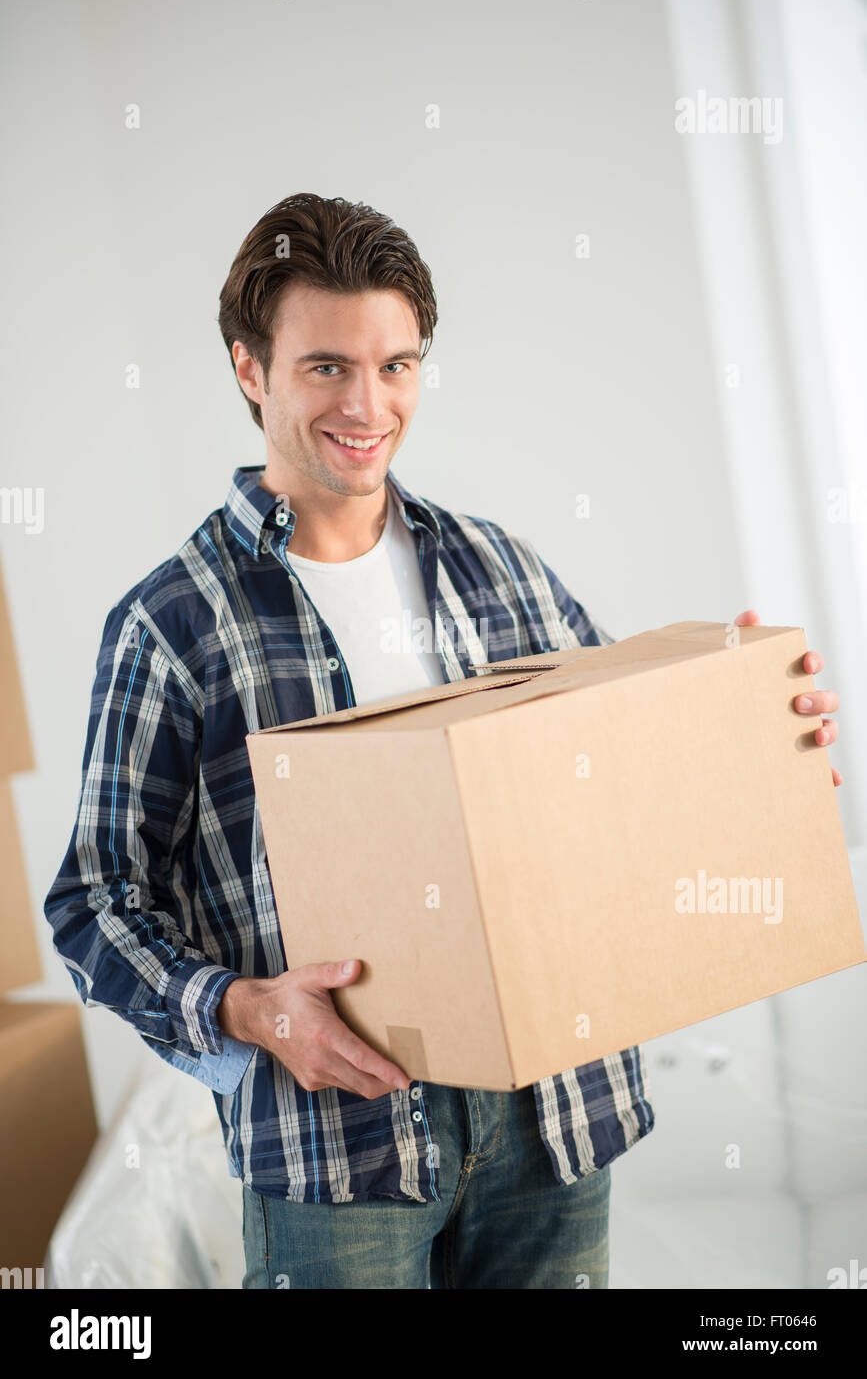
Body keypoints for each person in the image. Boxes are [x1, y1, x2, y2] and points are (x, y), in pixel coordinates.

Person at [43, 193, 841, 1290]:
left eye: (397, 365)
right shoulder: (175, 622)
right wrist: (244, 1009)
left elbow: (619, 776)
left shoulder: (497, 567)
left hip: (553, 1120)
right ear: (249, 370)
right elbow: (92, 903)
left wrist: (746, 737)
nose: (367, 404)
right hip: (339, 1146)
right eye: (326, 366)